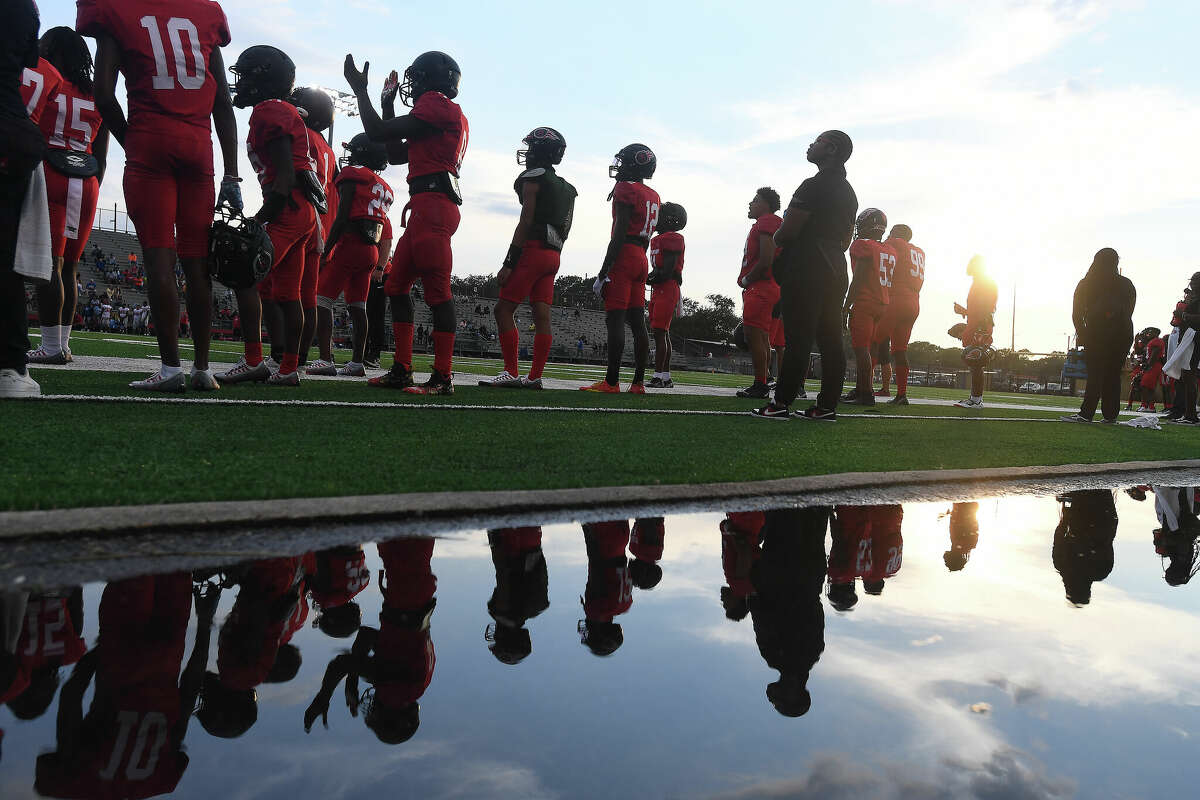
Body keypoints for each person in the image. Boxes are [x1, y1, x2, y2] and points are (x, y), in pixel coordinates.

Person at [78, 0, 240, 391]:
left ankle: (170, 369)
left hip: (150, 139)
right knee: (198, 263)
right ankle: (202, 368)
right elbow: (222, 101)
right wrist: (232, 173)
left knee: (159, 259)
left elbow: (103, 94)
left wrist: (132, 141)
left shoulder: (117, 10)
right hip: (198, 145)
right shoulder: (206, 12)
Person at [344, 51, 468, 395]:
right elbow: (397, 154)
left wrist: (360, 90)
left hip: (434, 206)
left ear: (430, 78)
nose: (412, 85)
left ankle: (443, 377)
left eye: (418, 77)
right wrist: (386, 105)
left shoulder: (435, 104)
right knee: (396, 286)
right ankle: (402, 368)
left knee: (438, 293)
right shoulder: (442, 111)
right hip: (426, 205)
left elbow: (375, 131)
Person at [217, 46, 321, 387]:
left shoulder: (269, 110)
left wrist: (259, 219)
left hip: (286, 209)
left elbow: (286, 177)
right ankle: (289, 368)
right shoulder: (280, 110)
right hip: (300, 212)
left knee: (243, 275)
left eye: (247, 76)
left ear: (263, 80)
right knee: (288, 295)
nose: (242, 82)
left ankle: (253, 360)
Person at [753, 130, 857, 420]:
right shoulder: (849, 192)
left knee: (798, 337)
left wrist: (779, 240)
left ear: (832, 149)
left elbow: (787, 232)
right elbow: (846, 240)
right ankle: (826, 406)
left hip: (808, 264)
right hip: (836, 265)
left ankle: (780, 403)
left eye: (818, 141)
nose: (811, 145)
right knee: (831, 340)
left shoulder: (813, 184)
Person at [23, 28, 108, 367]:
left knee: (49, 265)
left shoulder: (48, 81)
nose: (39, 50)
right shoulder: (97, 93)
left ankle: (50, 346)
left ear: (55, 51)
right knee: (69, 268)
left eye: (45, 46)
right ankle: (62, 344)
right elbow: (101, 155)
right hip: (87, 180)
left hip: (50, 172)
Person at [480, 127, 577, 390]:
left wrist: (509, 262)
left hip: (533, 251)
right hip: (554, 255)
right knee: (542, 315)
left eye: (532, 147)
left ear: (540, 151)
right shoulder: (568, 188)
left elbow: (525, 221)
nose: (528, 152)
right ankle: (534, 377)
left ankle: (511, 371)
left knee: (503, 310)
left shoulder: (534, 178)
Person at [307, 133, 394, 377]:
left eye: (354, 150)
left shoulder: (353, 174)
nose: (351, 155)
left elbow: (343, 216)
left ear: (363, 153)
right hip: (370, 251)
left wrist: (327, 249)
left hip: (351, 244)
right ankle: (357, 362)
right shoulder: (384, 186)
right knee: (358, 307)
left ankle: (325, 359)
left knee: (321, 300)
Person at [580, 143, 660, 394]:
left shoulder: (626, 188)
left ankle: (612, 381)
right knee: (638, 323)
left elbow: (620, 232)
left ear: (635, 165)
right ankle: (638, 383)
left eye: (624, 162)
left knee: (614, 319)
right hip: (641, 256)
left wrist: (604, 271)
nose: (620, 167)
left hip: (624, 255)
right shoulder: (654, 194)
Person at [0, 0, 47, 398]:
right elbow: (31, 59)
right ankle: (10, 364)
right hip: (12, 126)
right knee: (6, 256)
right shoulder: (22, 7)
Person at [289, 86, 339, 369]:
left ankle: (279, 354)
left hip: (299, 212)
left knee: (277, 290)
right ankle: (300, 357)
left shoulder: (304, 134)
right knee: (308, 295)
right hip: (319, 224)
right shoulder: (327, 148)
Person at [1061, 248, 1136, 424]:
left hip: (1096, 332)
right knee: (1113, 374)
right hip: (1122, 333)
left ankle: (1086, 413)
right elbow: (1129, 311)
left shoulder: (1087, 283)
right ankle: (1110, 415)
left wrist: (1083, 333)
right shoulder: (1126, 284)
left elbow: (1076, 313)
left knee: (1095, 373)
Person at [840, 208, 895, 407]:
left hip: (866, 301)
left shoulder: (862, 245)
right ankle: (862, 389)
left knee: (861, 349)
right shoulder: (889, 249)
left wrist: (846, 306)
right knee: (869, 349)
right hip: (883, 304)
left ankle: (865, 393)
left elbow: (859, 278)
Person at [736, 188, 783, 398]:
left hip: (762, 285)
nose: (750, 203)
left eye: (756, 200)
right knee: (762, 338)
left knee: (755, 336)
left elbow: (766, 260)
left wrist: (747, 279)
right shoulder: (765, 223)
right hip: (766, 286)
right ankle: (763, 381)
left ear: (766, 205)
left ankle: (760, 384)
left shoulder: (767, 221)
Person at [874, 224, 925, 405]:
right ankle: (901, 395)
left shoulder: (896, 243)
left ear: (896, 234)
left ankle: (862, 388)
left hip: (896, 299)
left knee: (873, 342)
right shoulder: (919, 251)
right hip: (914, 302)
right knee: (900, 350)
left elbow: (878, 251)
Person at [646, 202, 686, 388]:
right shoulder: (659, 239)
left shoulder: (672, 237)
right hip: (660, 288)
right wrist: (652, 276)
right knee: (662, 332)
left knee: (660, 333)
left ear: (670, 219)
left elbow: (668, 269)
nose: (656, 218)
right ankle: (666, 377)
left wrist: (651, 277)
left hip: (667, 287)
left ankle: (658, 376)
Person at [952, 255, 998, 409]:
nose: (969, 266)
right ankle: (974, 398)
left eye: (972, 264)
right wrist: (964, 312)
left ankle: (977, 400)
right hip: (978, 323)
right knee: (974, 363)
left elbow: (985, 309)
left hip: (980, 325)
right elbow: (978, 309)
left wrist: (980, 328)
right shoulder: (979, 282)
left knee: (976, 361)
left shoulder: (984, 283)